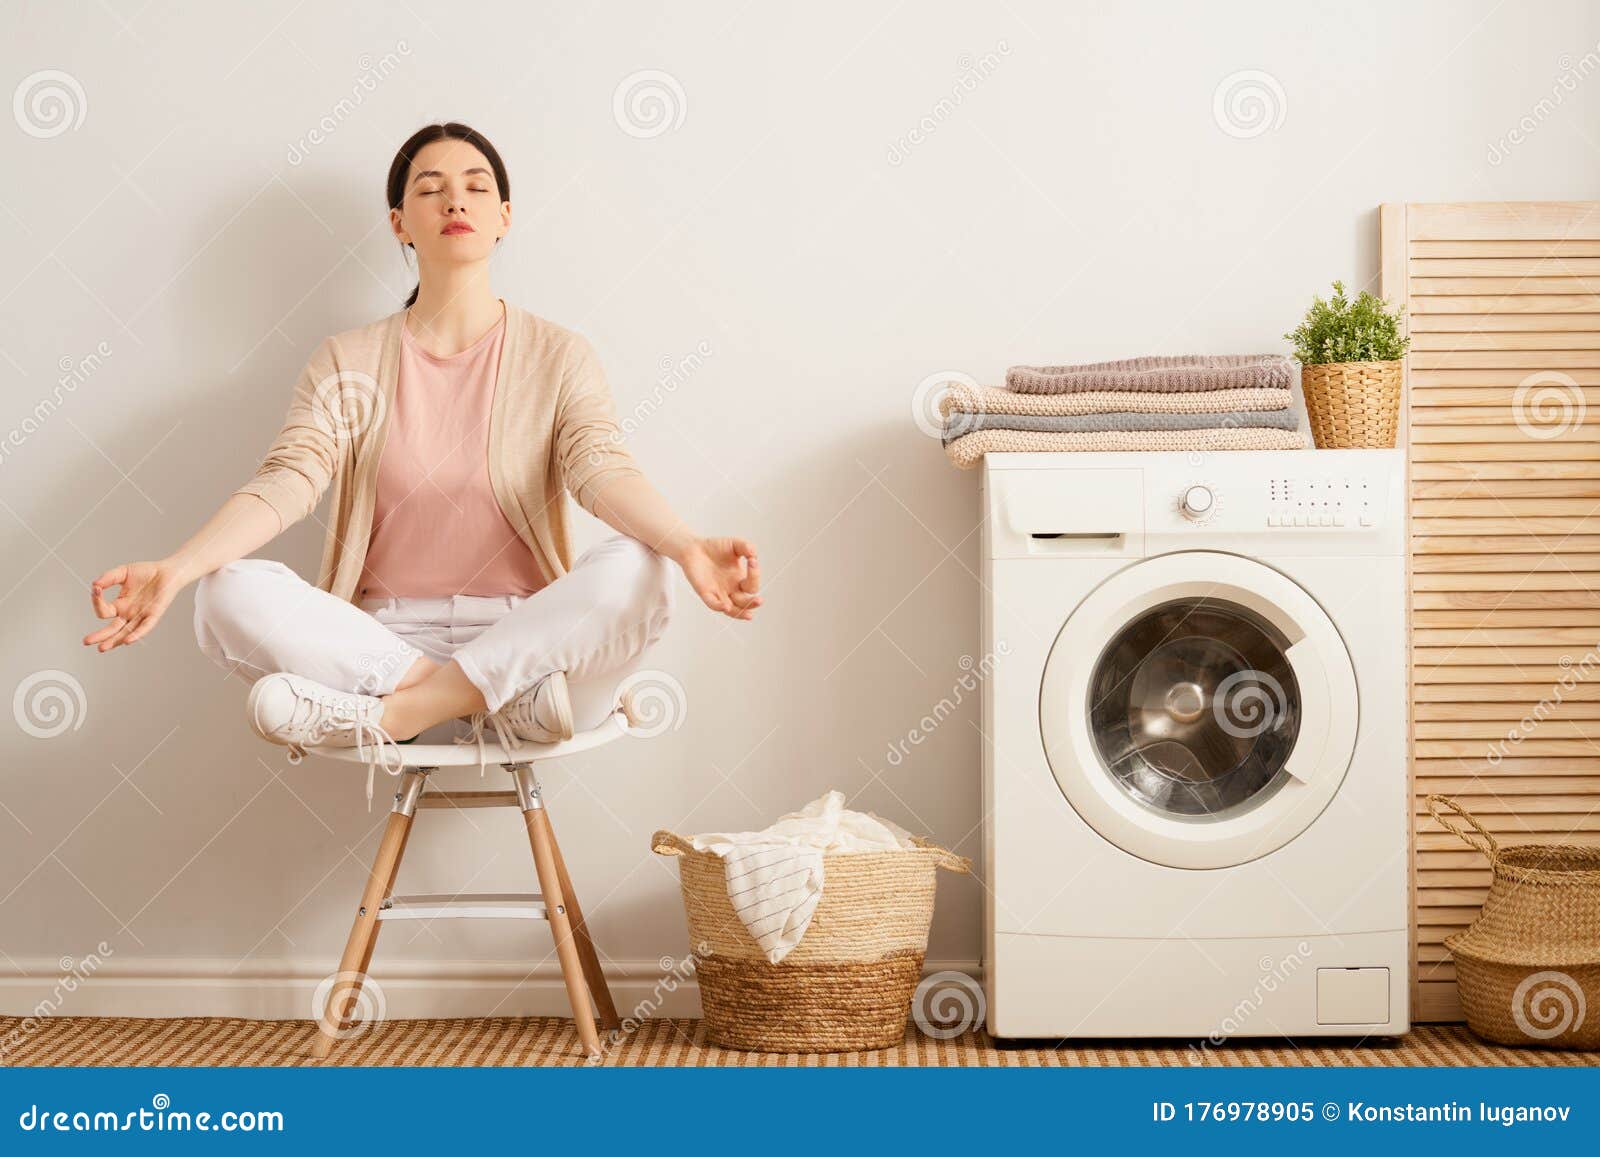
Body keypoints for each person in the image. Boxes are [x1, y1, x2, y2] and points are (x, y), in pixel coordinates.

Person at [82, 122, 762, 801]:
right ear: (400, 223)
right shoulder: (346, 360)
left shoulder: (559, 355)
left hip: (528, 640)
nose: (455, 203)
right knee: (221, 591)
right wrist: (176, 567)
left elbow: (600, 466)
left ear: (504, 217)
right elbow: (287, 481)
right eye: (431, 190)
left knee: (644, 569)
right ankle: (458, 699)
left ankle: (398, 718)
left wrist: (687, 544)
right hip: (381, 647)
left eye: (476, 187)